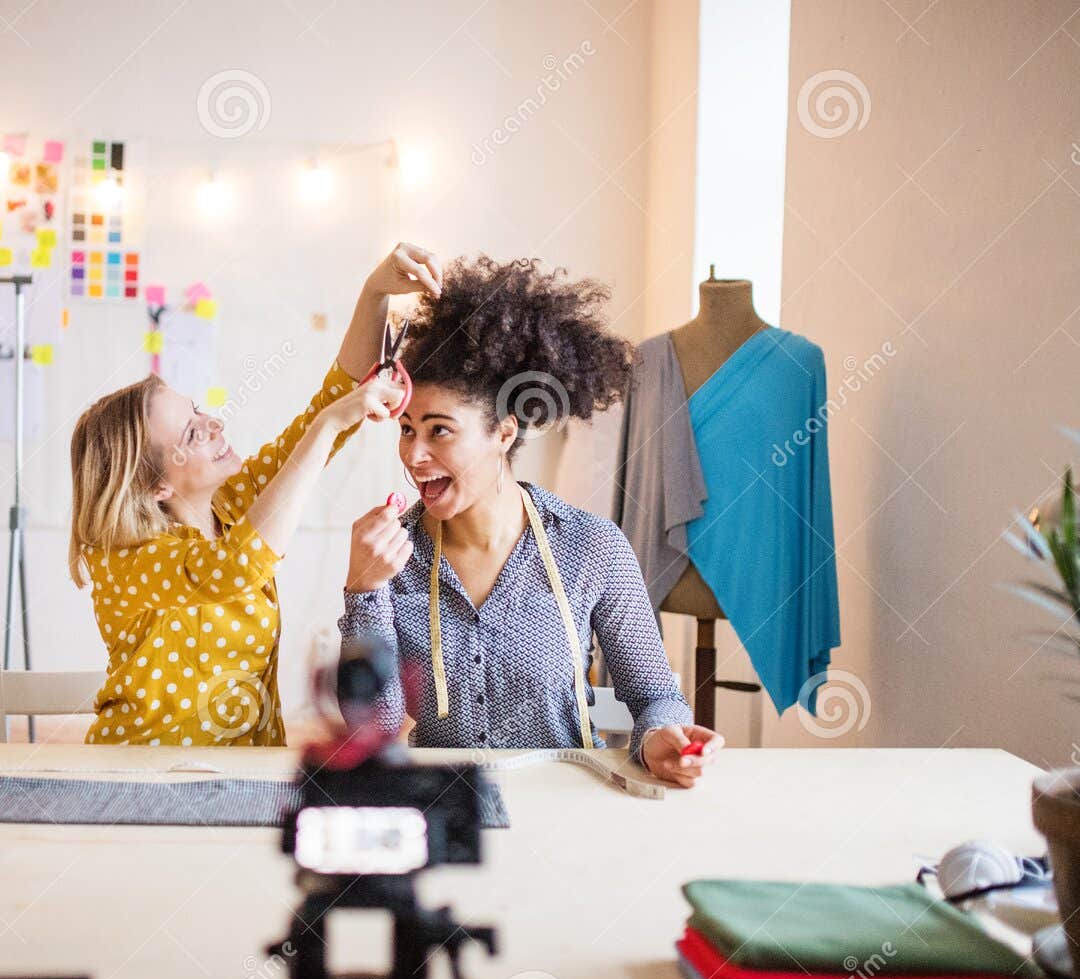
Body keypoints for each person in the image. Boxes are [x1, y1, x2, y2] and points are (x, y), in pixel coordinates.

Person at [339, 255, 723, 787]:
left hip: (566, 808)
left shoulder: (590, 547)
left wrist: (664, 738)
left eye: (439, 431)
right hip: (445, 810)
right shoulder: (393, 557)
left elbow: (655, 695)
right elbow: (371, 728)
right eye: (406, 430)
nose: (414, 455)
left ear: (503, 434)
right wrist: (364, 589)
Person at [71, 243, 442, 746]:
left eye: (199, 411)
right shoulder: (124, 555)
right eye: (192, 434)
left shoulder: (231, 505)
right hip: (145, 784)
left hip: (246, 772)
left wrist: (375, 290)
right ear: (157, 485)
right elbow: (238, 566)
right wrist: (329, 424)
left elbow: (335, 399)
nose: (215, 423)